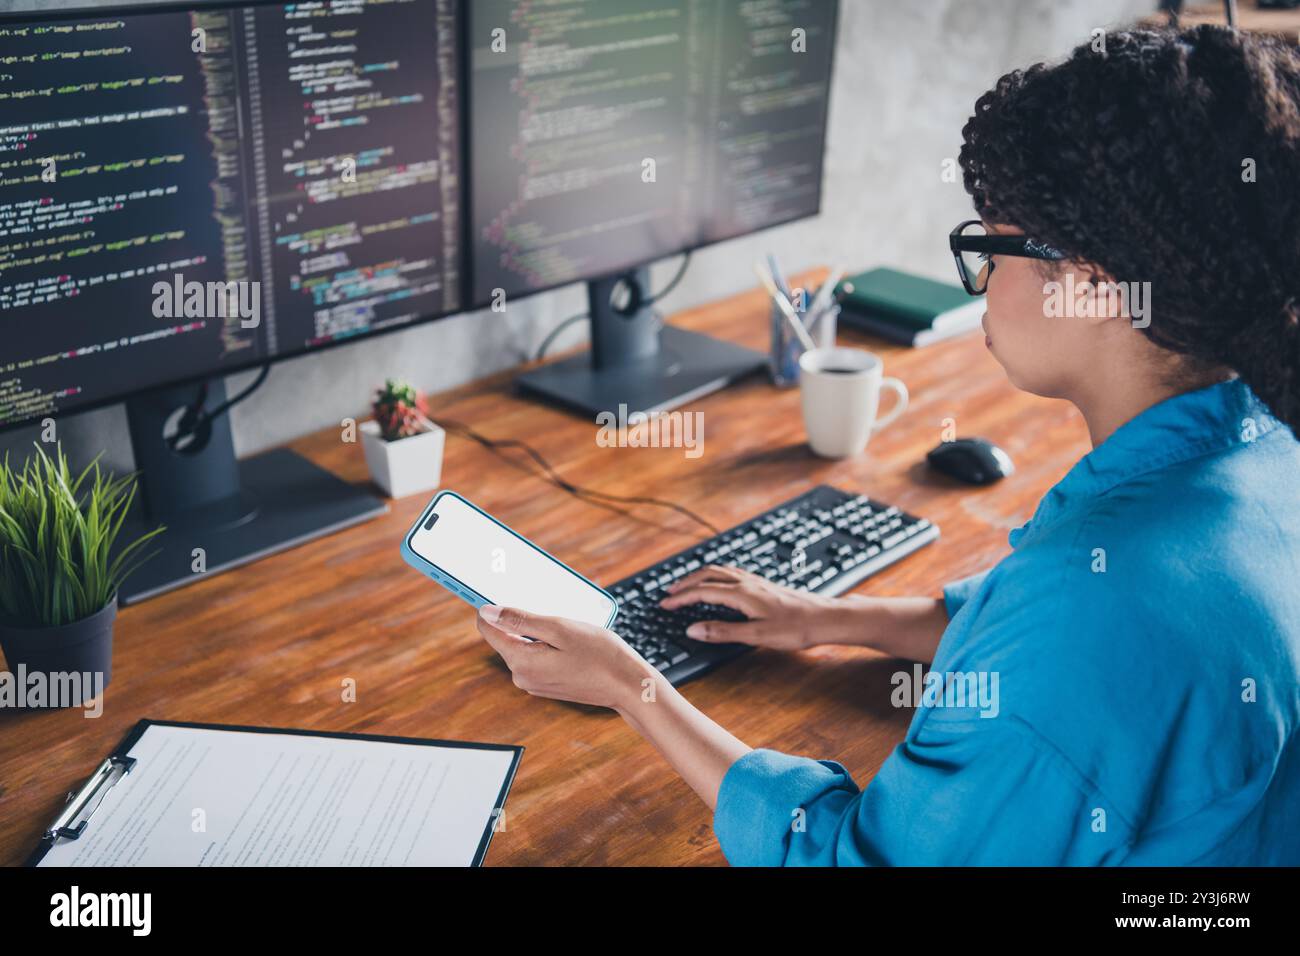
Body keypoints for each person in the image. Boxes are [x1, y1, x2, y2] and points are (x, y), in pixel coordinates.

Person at [475, 25, 1300, 865]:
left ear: (1089, 283)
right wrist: (824, 618)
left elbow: (856, 858)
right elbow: (1036, 637)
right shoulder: (1269, 449)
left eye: (988, 247)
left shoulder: (1093, 614)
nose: (976, 282)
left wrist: (630, 684)